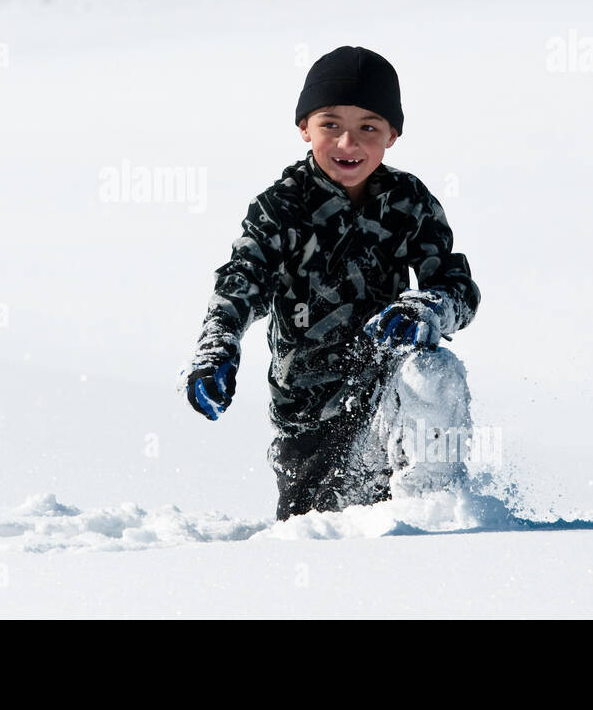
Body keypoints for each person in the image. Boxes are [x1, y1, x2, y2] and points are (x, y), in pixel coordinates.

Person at [182, 45, 481, 520]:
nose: (348, 143)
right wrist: (218, 348)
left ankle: (436, 515)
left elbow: (456, 285)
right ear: (304, 128)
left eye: (368, 127)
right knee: (321, 546)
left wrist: (425, 309)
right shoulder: (281, 208)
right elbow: (243, 281)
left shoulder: (407, 201)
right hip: (310, 424)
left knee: (435, 369)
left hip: (390, 408)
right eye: (331, 125)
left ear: (392, 136)